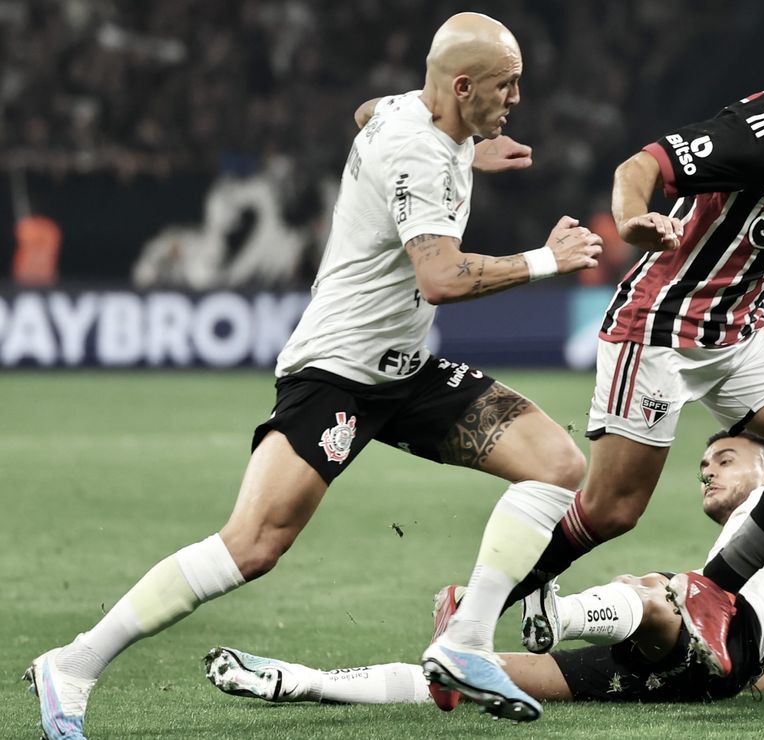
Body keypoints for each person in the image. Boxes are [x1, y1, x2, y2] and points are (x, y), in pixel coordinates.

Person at [25, 12, 603, 736]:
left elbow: (369, 111)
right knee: (251, 546)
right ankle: (73, 664)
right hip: (336, 374)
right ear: (461, 86)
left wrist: (470, 149)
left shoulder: (412, 115)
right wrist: (549, 258)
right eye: (505, 85)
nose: (517, 97)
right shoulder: (419, 155)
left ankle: (464, 642)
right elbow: (440, 278)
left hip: (407, 373)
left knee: (555, 463)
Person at [501, 20, 764, 681]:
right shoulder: (756, 136)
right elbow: (639, 166)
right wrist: (633, 217)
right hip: (660, 327)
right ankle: (492, 595)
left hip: (736, 329)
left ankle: (715, 588)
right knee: (613, 510)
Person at [203, 431, 764, 707]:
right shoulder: (759, 557)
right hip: (701, 674)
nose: (707, 470)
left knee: (661, 589)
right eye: (704, 466)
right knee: (474, 673)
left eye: (723, 458)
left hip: (711, 639)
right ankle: (304, 681)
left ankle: (556, 607)